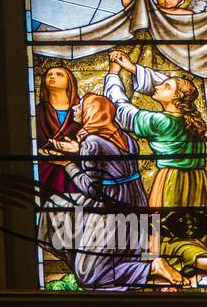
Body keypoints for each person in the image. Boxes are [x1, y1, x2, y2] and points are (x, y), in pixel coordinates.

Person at [105, 50, 207, 289]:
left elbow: (122, 109)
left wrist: (113, 74)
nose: (158, 85)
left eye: (166, 86)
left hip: (171, 182)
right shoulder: (192, 120)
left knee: (168, 235)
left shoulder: (160, 121)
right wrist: (133, 68)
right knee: (204, 233)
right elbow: (169, 86)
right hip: (199, 182)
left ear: (176, 97)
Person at [41, 94, 152, 290]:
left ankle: (151, 269)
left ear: (91, 113)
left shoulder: (91, 142)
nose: (75, 109)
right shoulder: (126, 137)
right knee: (59, 204)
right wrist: (78, 152)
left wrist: (66, 164)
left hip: (110, 205)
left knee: (88, 276)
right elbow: (112, 159)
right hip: (135, 200)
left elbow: (91, 188)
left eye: (80, 106)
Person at [35, 66, 80, 195]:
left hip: (77, 169)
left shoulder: (81, 111)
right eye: (49, 75)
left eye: (59, 74)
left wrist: (77, 149)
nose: (52, 77)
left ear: (69, 82)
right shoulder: (37, 112)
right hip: (46, 169)